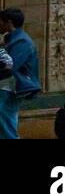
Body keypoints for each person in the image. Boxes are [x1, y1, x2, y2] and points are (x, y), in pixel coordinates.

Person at [0, 8, 40, 139]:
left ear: (9, 23)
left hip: (11, 87)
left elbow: (10, 67)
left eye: (1, 22)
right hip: (8, 86)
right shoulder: (11, 39)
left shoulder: (22, 42)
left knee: (6, 121)